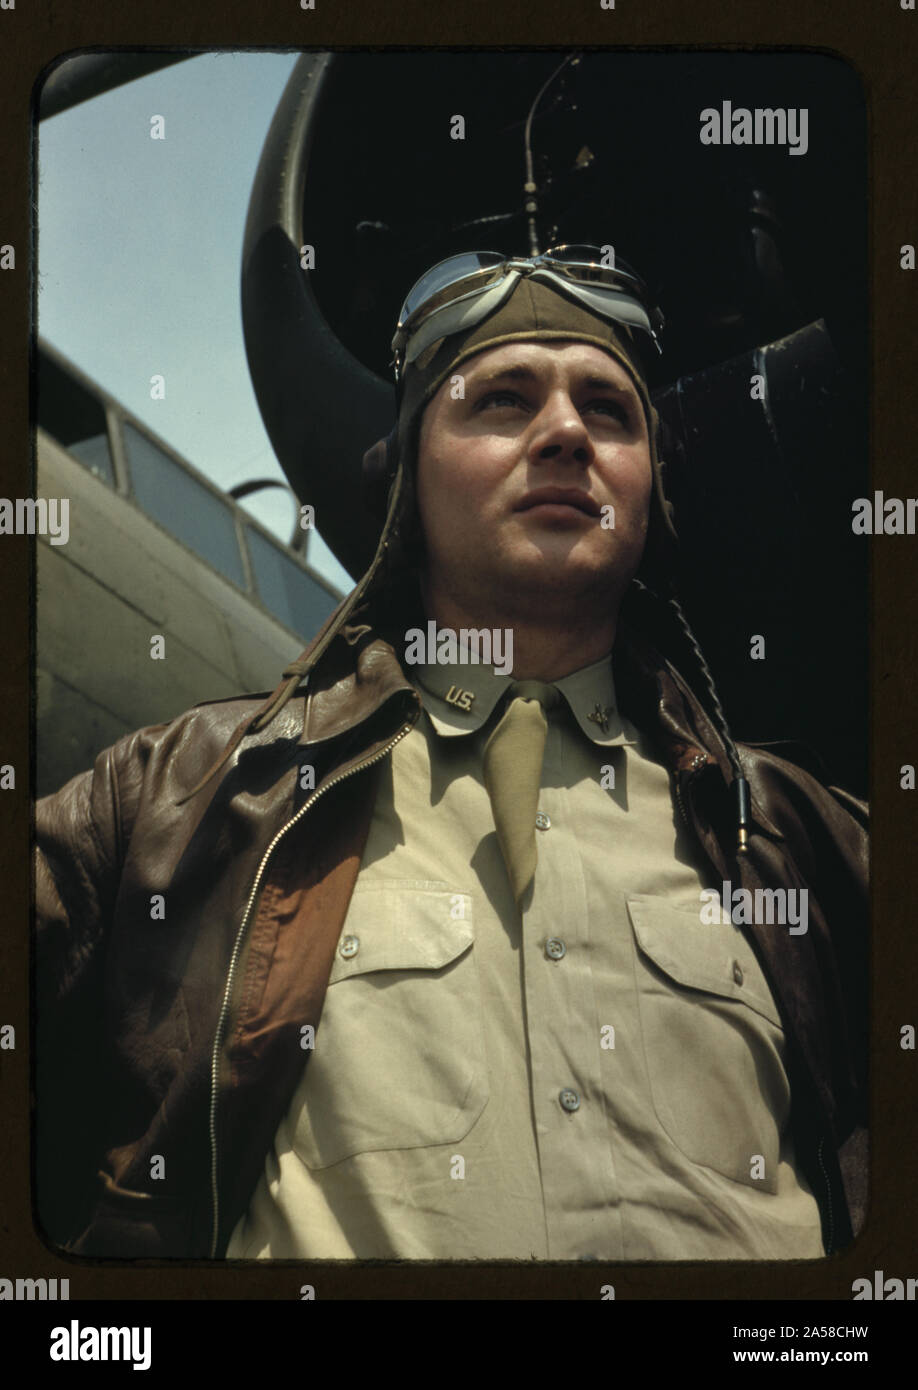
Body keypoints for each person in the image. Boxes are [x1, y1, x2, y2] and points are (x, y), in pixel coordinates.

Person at [35, 247, 867, 1262]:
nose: (566, 432)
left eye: (610, 411)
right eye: (503, 401)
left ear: (652, 488)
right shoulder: (174, 796)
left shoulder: (794, 833)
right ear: (408, 479)